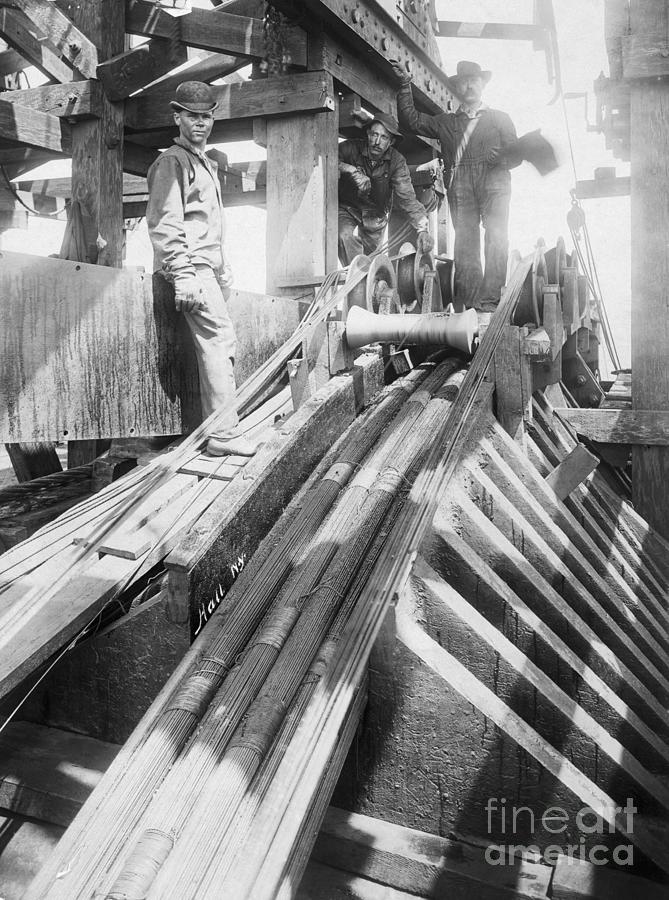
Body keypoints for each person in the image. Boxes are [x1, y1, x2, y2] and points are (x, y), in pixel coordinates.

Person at [147, 80, 258, 457]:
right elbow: (165, 223)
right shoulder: (172, 162)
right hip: (191, 269)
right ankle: (223, 434)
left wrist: (221, 269)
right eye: (192, 116)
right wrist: (183, 274)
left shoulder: (202, 163)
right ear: (177, 117)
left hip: (205, 268)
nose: (200, 123)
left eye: (207, 116)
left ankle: (214, 427)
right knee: (219, 340)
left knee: (220, 341)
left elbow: (207, 224)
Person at [392, 59, 521, 311]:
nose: (469, 86)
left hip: (495, 180)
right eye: (464, 82)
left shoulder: (500, 119)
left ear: (483, 84)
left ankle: (490, 302)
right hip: (460, 182)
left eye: (474, 80)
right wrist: (405, 84)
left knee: (496, 237)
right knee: (465, 242)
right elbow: (411, 121)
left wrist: (502, 158)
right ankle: (471, 306)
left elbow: (516, 156)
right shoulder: (447, 122)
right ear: (457, 88)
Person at [338, 112, 434, 266]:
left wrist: (423, 229)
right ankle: (357, 278)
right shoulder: (350, 148)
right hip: (348, 208)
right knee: (344, 236)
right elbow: (328, 157)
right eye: (374, 135)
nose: (377, 142)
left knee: (372, 262)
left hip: (375, 214)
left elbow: (407, 197)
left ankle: (365, 277)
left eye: (383, 137)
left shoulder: (397, 162)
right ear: (368, 134)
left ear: (391, 141)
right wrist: (351, 170)